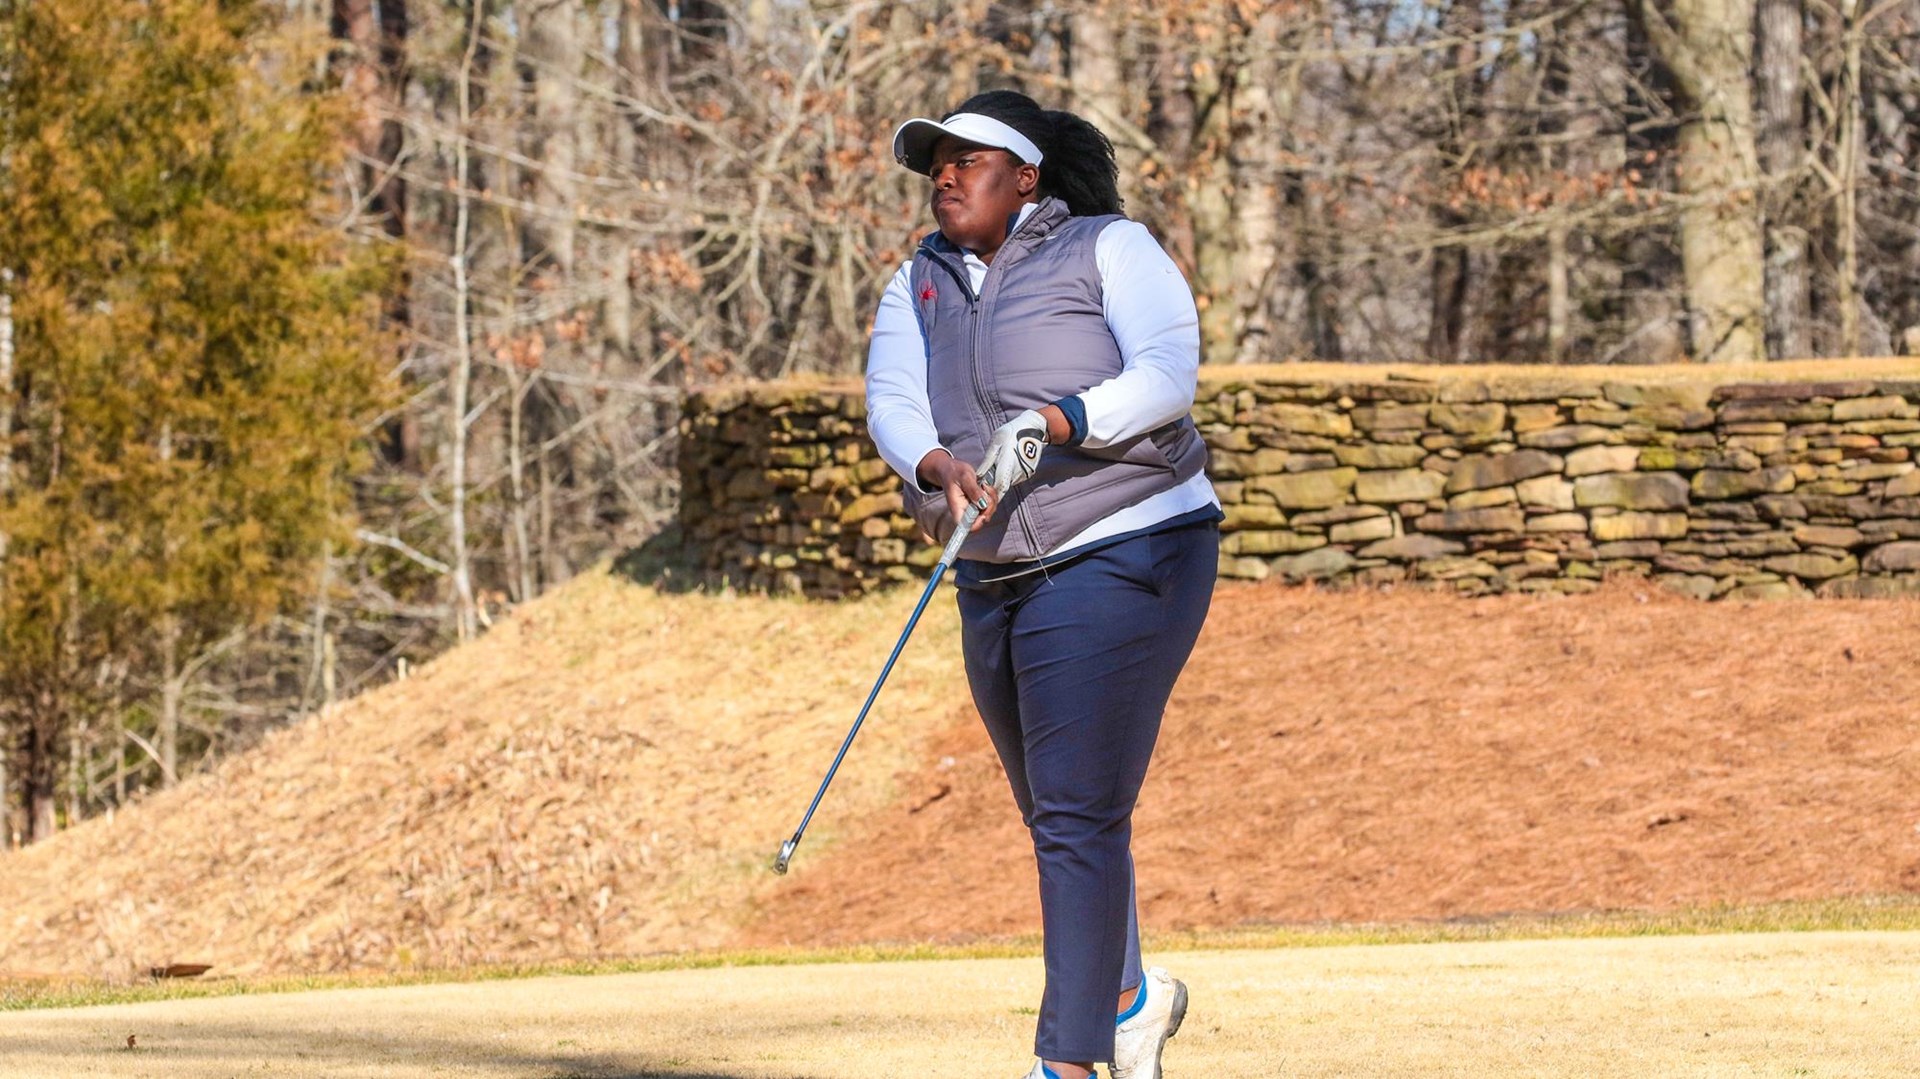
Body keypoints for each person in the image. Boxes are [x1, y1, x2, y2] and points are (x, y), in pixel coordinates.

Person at [864, 90, 1221, 1079]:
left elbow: (1167, 373)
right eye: (934, 161)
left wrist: (1061, 419)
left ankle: (1068, 1061)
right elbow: (892, 398)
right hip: (991, 565)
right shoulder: (919, 282)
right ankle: (1131, 999)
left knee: (1073, 810)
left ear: (1024, 177)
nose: (943, 173)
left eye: (966, 158)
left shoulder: (1109, 247)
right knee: (1062, 805)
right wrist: (934, 463)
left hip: (1128, 540)